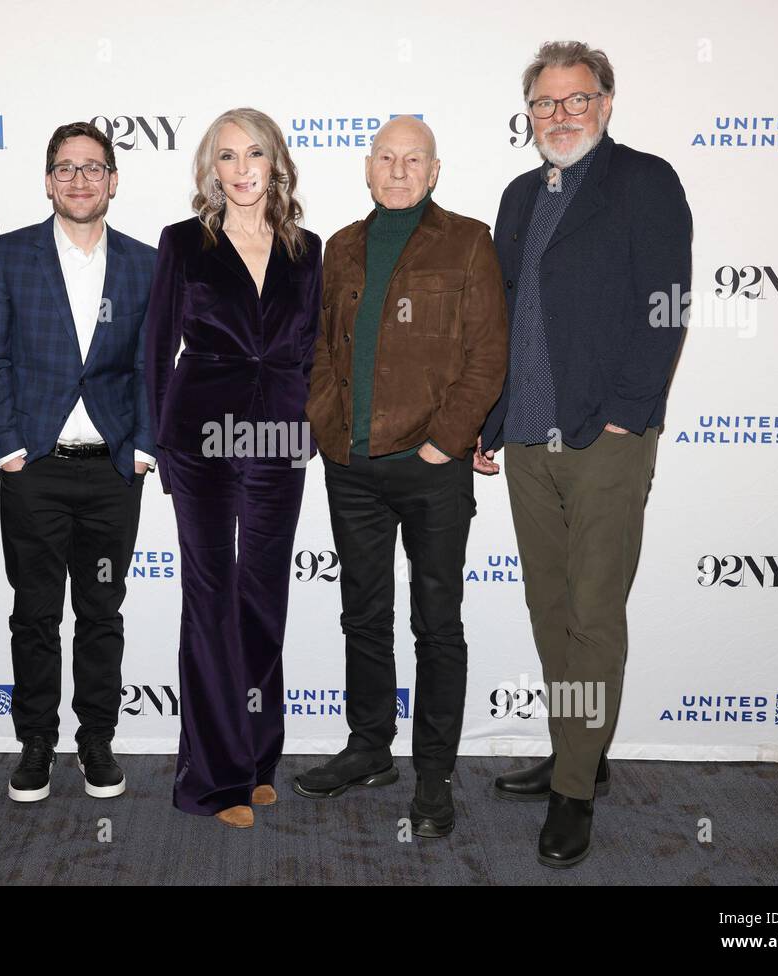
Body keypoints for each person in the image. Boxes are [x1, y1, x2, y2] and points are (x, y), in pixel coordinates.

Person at [475, 41, 692, 867]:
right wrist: (492, 419)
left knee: (593, 614)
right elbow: (505, 314)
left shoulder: (645, 181)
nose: (560, 115)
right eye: (545, 103)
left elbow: (666, 302)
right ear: (529, 113)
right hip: (529, 438)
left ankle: (573, 791)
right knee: (549, 609)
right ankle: (581, 750)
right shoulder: (519, 195)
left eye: (576, 99)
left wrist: (629, 415)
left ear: (605, 102)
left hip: (605, 440)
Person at [297, 114, 508, 839]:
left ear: (434, 170)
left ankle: (435, 776)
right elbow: (319, 350)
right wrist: (329, 427)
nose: (397, 170)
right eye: (386, 157)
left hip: (431, 470)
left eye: (413, 159)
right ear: (367, 167)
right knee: (362, 614)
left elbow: (488, 355)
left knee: (436, 624)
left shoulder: (469, 241)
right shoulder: (341, 246)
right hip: (352, 467)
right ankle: (368, 749)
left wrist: (443, 444)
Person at [145, 107, 322, 829]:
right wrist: (159, 443)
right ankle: (213, 780)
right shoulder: (184, 243)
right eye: (227, 156)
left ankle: (257, 760)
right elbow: (156, 346)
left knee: (264, 598)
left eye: (255, 153)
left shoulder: (307, 250)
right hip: (200, 437)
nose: (242, 168)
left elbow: (312, 352)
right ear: (210, 170)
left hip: (279, 435)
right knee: (211, 598)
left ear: (276, 163)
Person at [0, 122, 157, 803]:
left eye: (93, 168)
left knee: (102, 612)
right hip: (36, 471)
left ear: (113, 180)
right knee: (35, 614)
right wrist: (6, 449)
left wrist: (142, 448)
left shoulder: (144, 264)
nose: (80, 180)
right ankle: (36, 743)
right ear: (49, 181)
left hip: (113, 472)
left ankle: (96, 740)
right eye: (66, 168)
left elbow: (152, 367)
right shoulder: (9, 256)